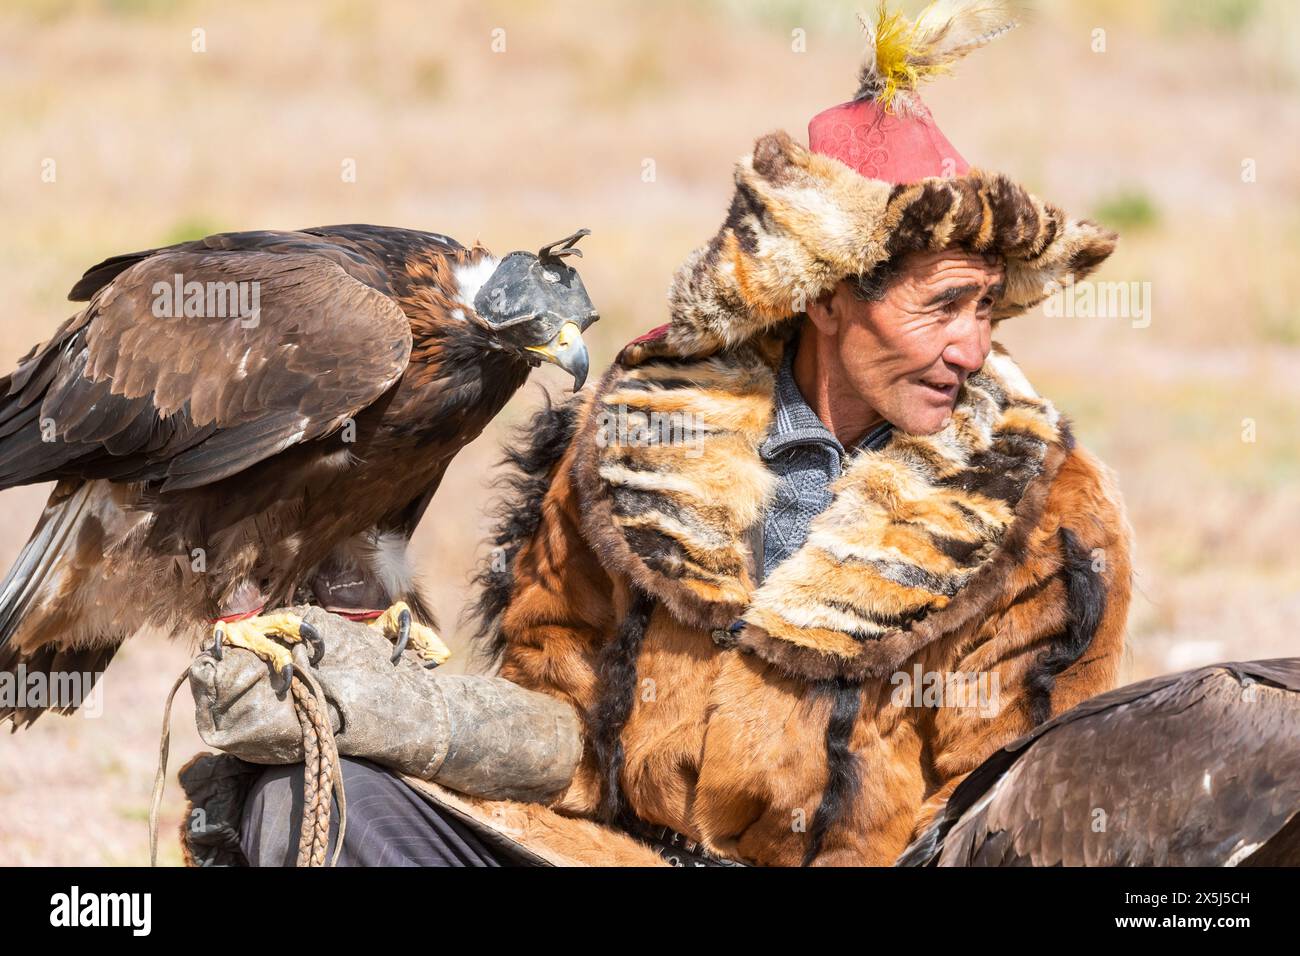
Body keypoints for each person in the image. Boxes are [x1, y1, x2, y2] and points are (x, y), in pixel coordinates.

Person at [238, 1, 1132, 866]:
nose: (972, 346)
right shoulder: (638, 432)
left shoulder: (1037, 510)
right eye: (941, 306)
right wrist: (400, 718)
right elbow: (559, 704)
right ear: (826, 296)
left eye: (986, 306)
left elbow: (1001, 815)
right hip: (609, 855)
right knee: (317, 800)